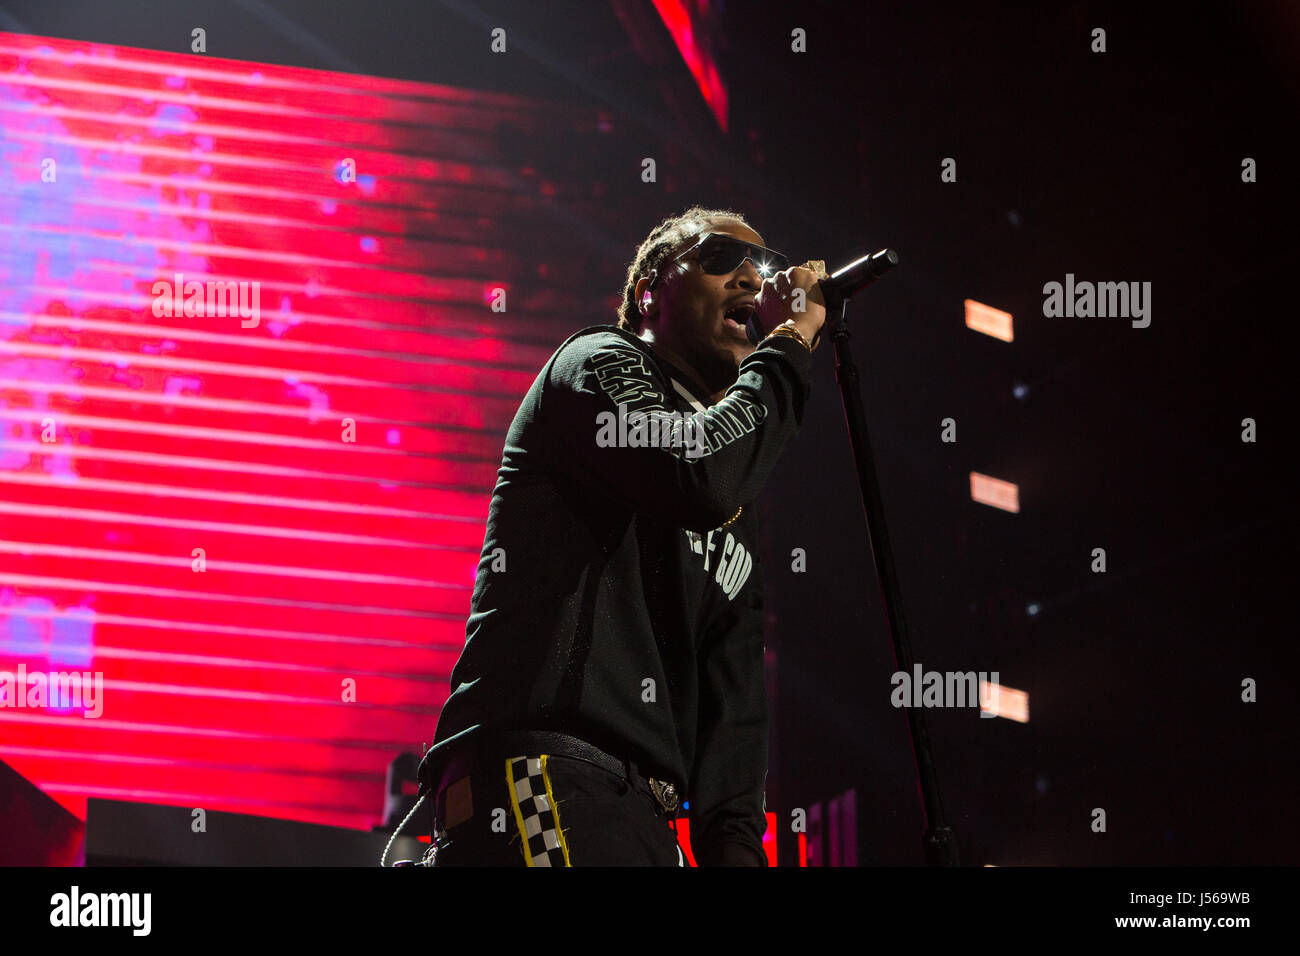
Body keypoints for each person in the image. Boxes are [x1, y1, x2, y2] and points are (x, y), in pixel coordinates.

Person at [420, 205, 827, 866]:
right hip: (543, 767)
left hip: (642, 815)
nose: (752, 280)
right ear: (649, 293)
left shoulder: (733, 496)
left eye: (761, 265)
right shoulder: (598, 365)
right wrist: (791, 341)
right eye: (720, 257)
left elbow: (735, 719)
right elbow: (699, 470)